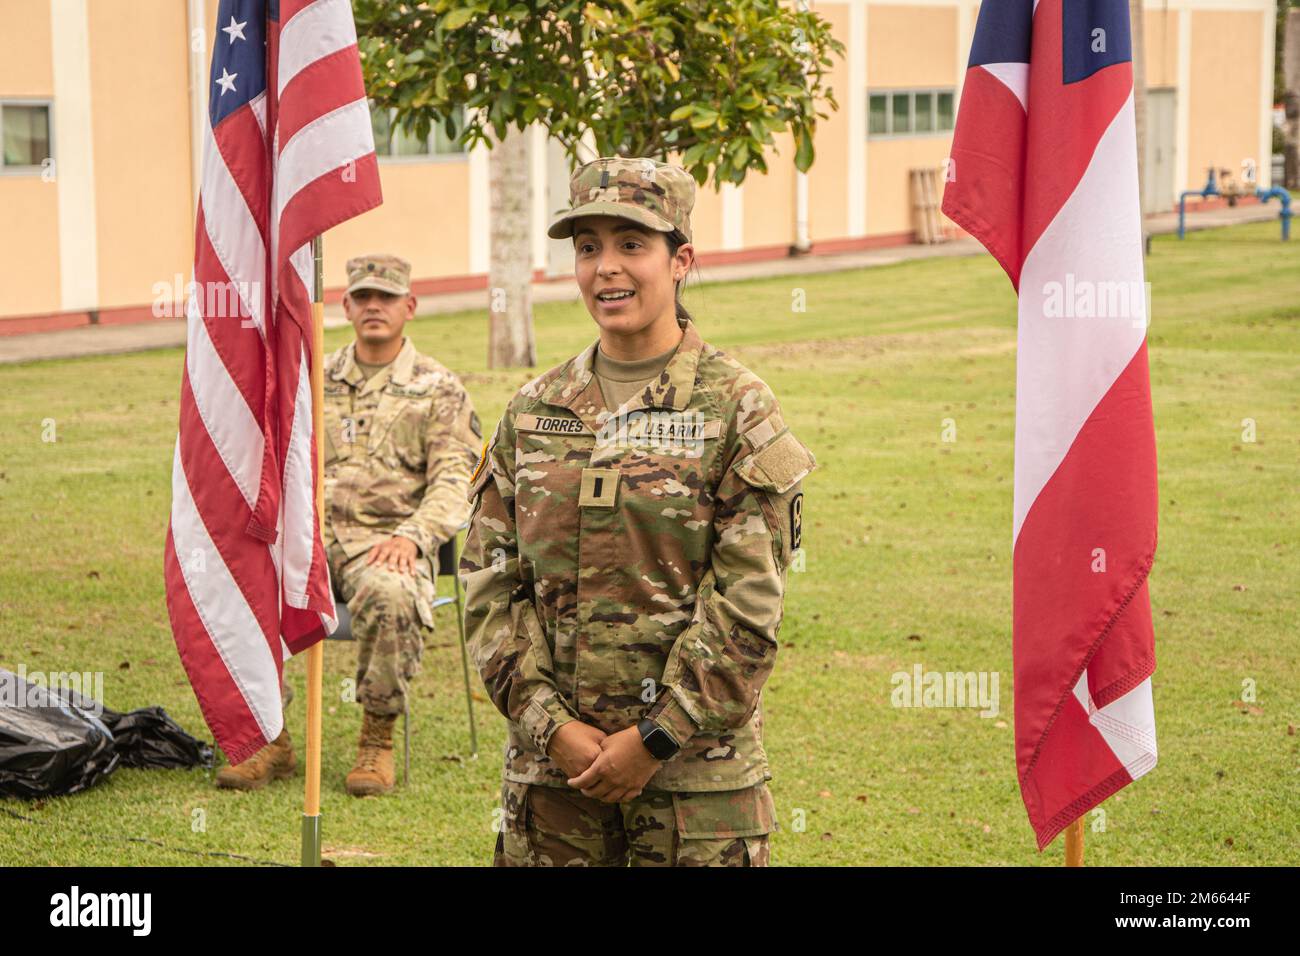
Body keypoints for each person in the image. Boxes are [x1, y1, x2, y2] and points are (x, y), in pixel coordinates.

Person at [460, 157, 816, 865]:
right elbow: (488, 587)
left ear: (680, 259)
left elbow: (749, 605)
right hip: (555, 783)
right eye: (587, 246)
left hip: (696, 790)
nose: (605, 268)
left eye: (631, 244)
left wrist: (655, 738)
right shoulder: (534, 411)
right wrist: (549, 726)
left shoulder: (736, 408)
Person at [216, 253, 482, 796]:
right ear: (345, 306)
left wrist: (413, 536)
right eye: (363, 297)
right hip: (304, 542)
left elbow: (457, 480)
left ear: (410, 306)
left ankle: (376, 740)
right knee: (239, 581)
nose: (374, 307)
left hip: (384, 543)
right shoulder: (311, 377)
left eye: (386, 297)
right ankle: (270, 736)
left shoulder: (439, 388)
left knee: (390, 593)